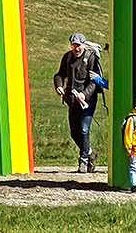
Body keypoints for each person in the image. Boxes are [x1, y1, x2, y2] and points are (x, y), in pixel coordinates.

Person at [54, 32, 103, 172]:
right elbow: (59, 74)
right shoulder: (67, 57)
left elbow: (94, 81)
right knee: (74, 132)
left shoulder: (91, 58)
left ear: (84, 45)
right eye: (74, 45)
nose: (76, 48)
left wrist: (84, 94)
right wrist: (58, 86)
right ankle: (90, 152)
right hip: (72, 101)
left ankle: (83, 161)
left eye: (79, 45)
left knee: (84, 129)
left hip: (88, 101)